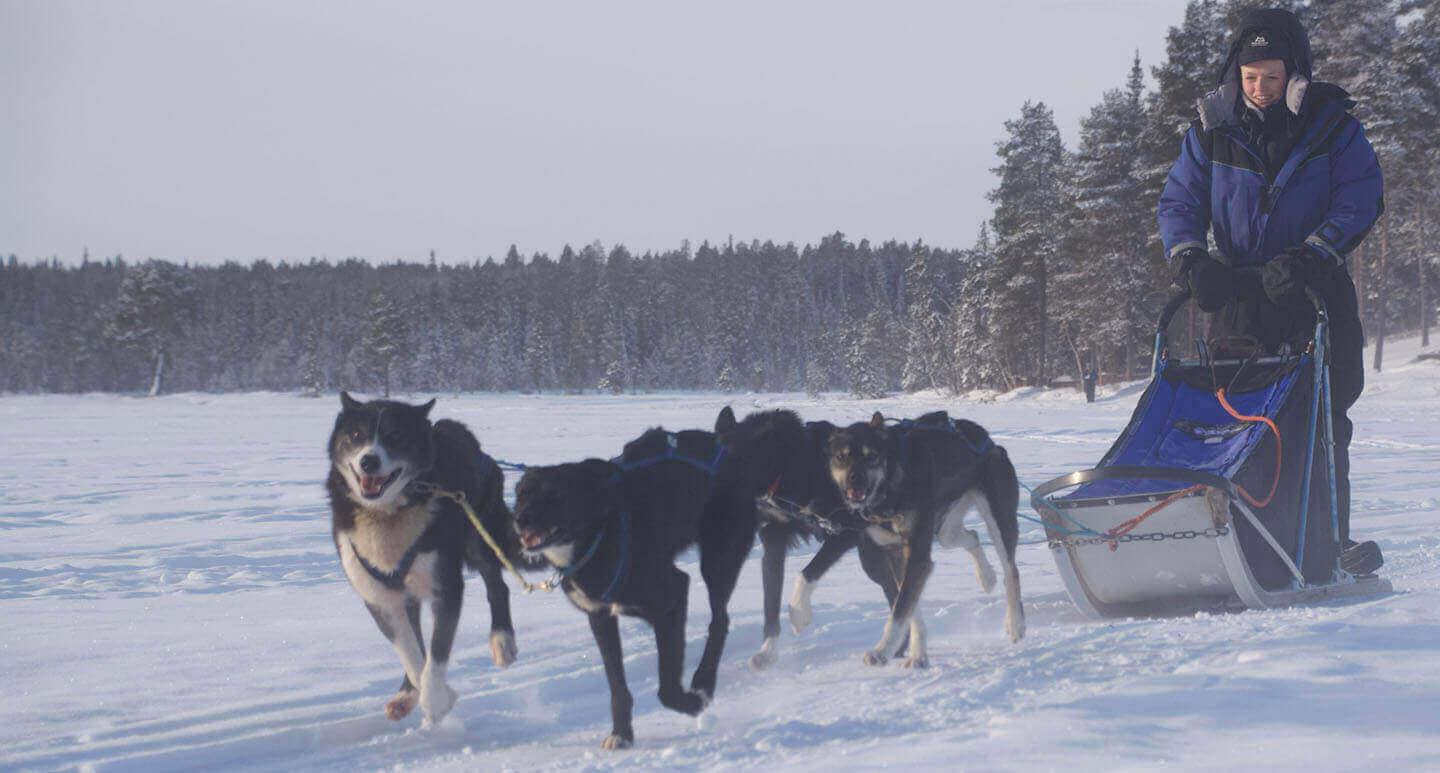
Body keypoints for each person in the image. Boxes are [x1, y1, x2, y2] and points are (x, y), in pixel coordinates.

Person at [1157, 8, 1384, 574]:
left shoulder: (1332, 124)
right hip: (1237, 295)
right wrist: (1191, 260)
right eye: (1251, 77)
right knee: (1233, 416)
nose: (1260, 89)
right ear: (1237, 75)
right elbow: (1180, 201)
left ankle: (1327, 541)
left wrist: (1314, 253)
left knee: (1322, 415)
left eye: (1273, 77)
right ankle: (1234, 534)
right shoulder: (1212, 128)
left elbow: (1361, 195)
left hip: (1314, 290)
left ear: (1295, 75)